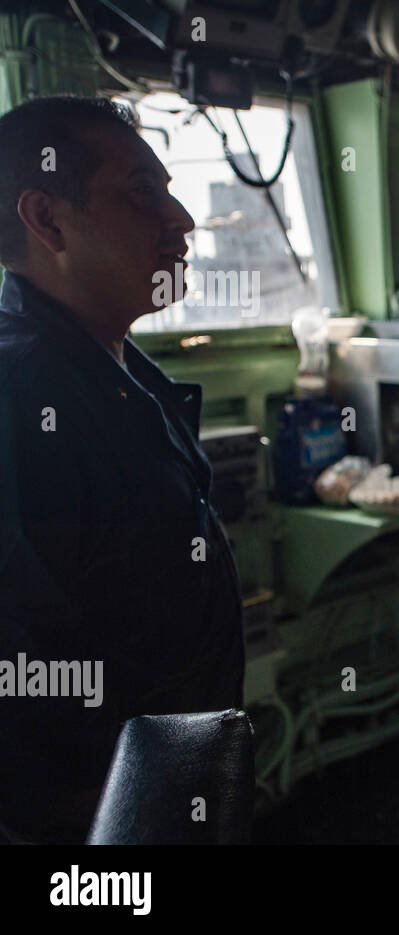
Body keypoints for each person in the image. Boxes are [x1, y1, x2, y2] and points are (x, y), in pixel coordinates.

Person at [0, 97, 244, 843]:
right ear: (46, 219)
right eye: (143, 192)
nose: (182, 220)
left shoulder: (118, 373)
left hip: (165, 794)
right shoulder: (18, 404)